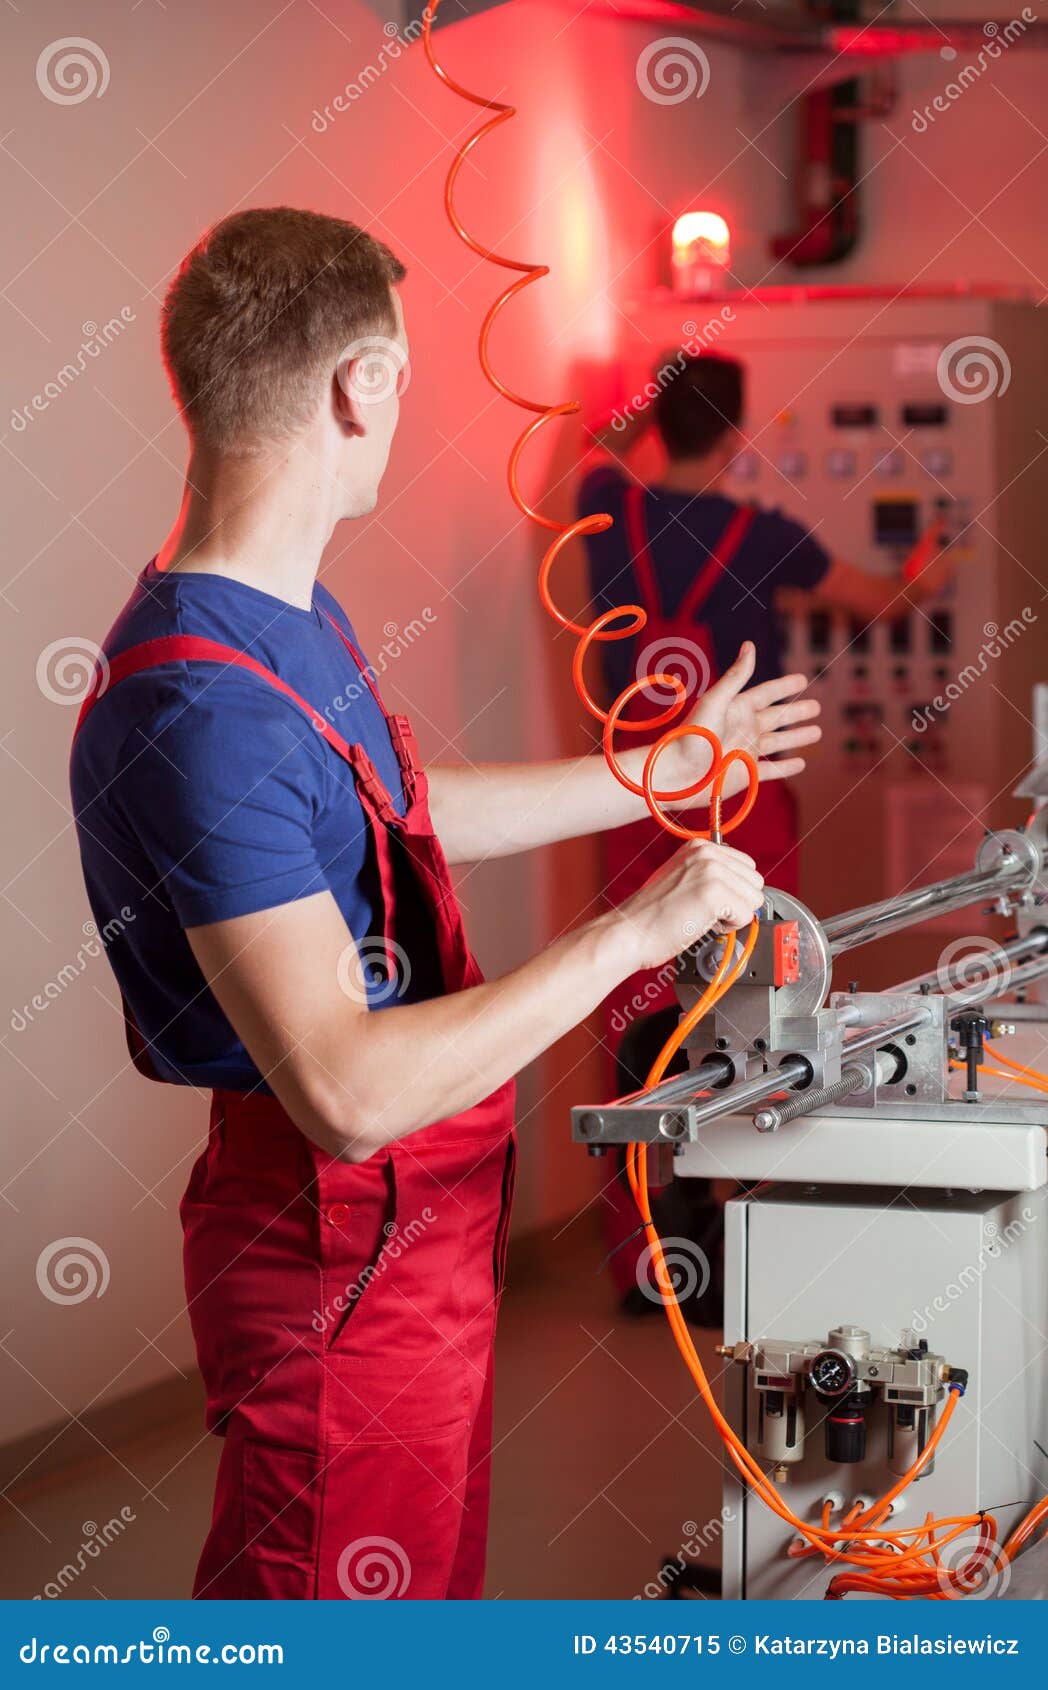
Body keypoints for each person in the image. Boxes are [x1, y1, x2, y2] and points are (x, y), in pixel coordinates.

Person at [69, 209, 822, 1601]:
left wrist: (658, 773)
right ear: (362, 383)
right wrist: (629, 936)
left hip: (411, 1257)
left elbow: (405, 814)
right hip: (334, 1250)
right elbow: (348, 1093)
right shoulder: (205, 705)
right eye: (405, 376)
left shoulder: (286, 620)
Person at [578, 351, 952, 1316]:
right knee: (756, 1011)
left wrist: (632, 423)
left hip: (631, 799)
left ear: (663, 421)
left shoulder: (606, 509)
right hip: (743, 808)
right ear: (741, 433)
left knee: (638, 1015)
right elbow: (886, 601)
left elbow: (576, 458)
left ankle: (646, 1259)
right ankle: (740, 1241)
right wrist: (924, 566)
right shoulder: (763, 533)